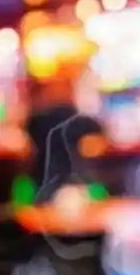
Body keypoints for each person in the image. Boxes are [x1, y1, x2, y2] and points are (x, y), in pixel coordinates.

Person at [24, 73, 104, 202]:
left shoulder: (34, 120)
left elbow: (27, 148)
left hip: (42, 182)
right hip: (76, 182)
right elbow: (99, 137)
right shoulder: (79, 119)